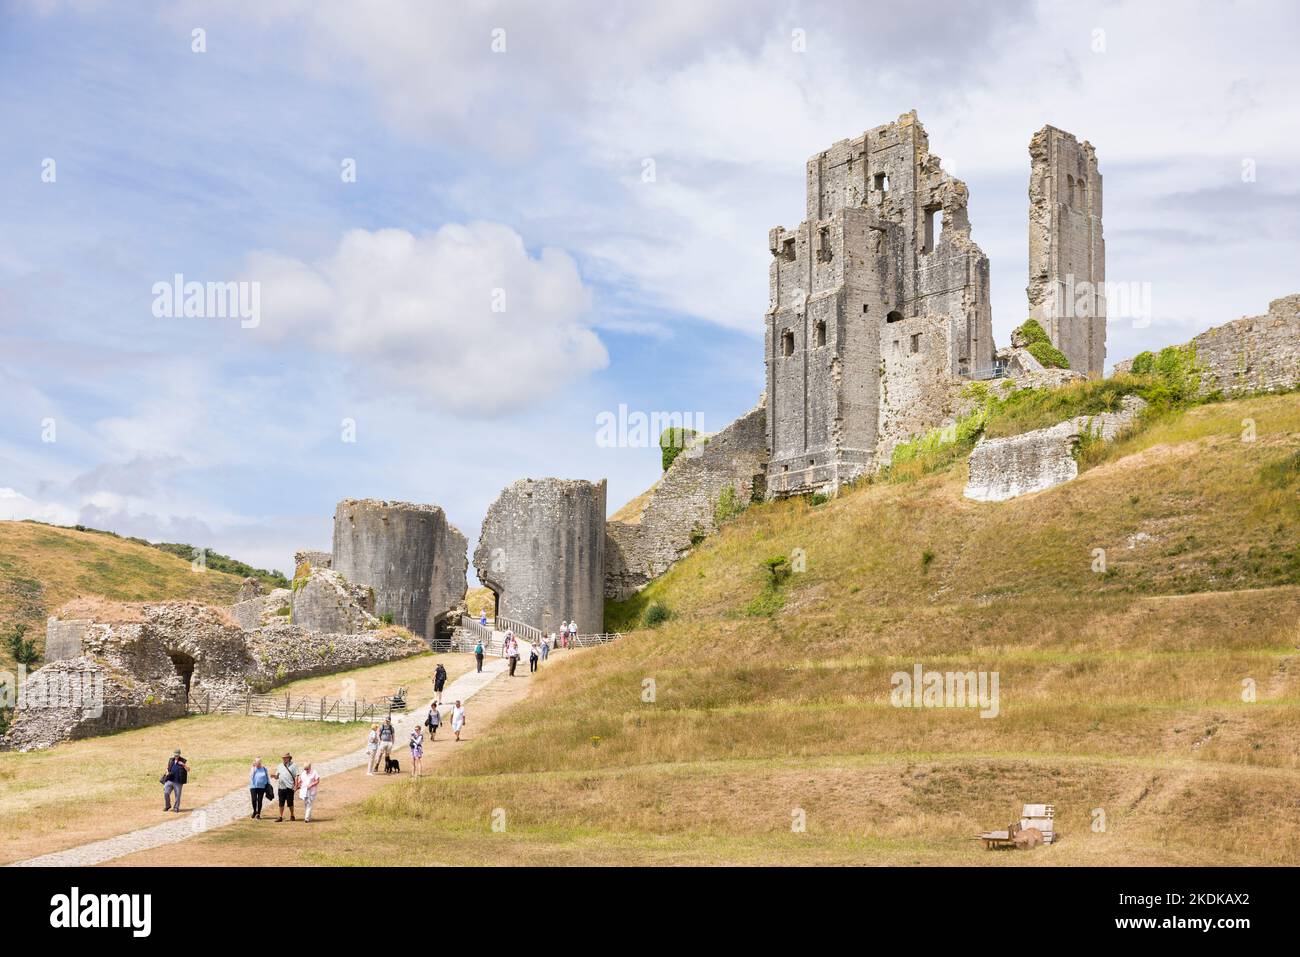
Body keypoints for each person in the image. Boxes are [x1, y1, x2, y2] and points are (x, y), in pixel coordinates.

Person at [275, 752, 301, 823]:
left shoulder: (294, 765)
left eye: (285, 758)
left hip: (289, 787)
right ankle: (280, 817)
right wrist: (274, 776)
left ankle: (292, 815)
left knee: (290, 803)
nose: (283, 759)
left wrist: (296, 786)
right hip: (281, 787)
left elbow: (296, 776)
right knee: (281, 803)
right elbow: (277, 776)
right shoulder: (279, 766)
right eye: (283, 758)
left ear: (289, 758)